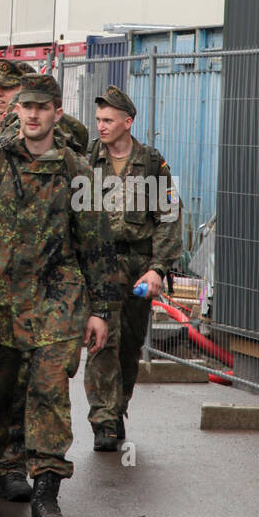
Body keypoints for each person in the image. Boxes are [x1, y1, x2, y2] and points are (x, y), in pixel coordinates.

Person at [0, 74, 115, 517]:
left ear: (57, 113)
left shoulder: (77, 171)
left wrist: (100, 309)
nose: (33, 115)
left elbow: (97, 244)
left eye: (43, 107)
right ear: (16, 110)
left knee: (49, 394)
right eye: (26, 106)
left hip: (58, 299)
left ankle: (46, 494)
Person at [83, 85, 183, 450]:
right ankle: (103, 420)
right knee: (101, 340)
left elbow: (169, 217)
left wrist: (158, 268)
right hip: (99, 264)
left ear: (128, 122)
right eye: (98, 120)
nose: (101, 127)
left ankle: (118, 406)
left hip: (139, 266)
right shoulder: (87, 159)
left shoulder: (151, 163)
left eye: (108, 120)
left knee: (129, 344)